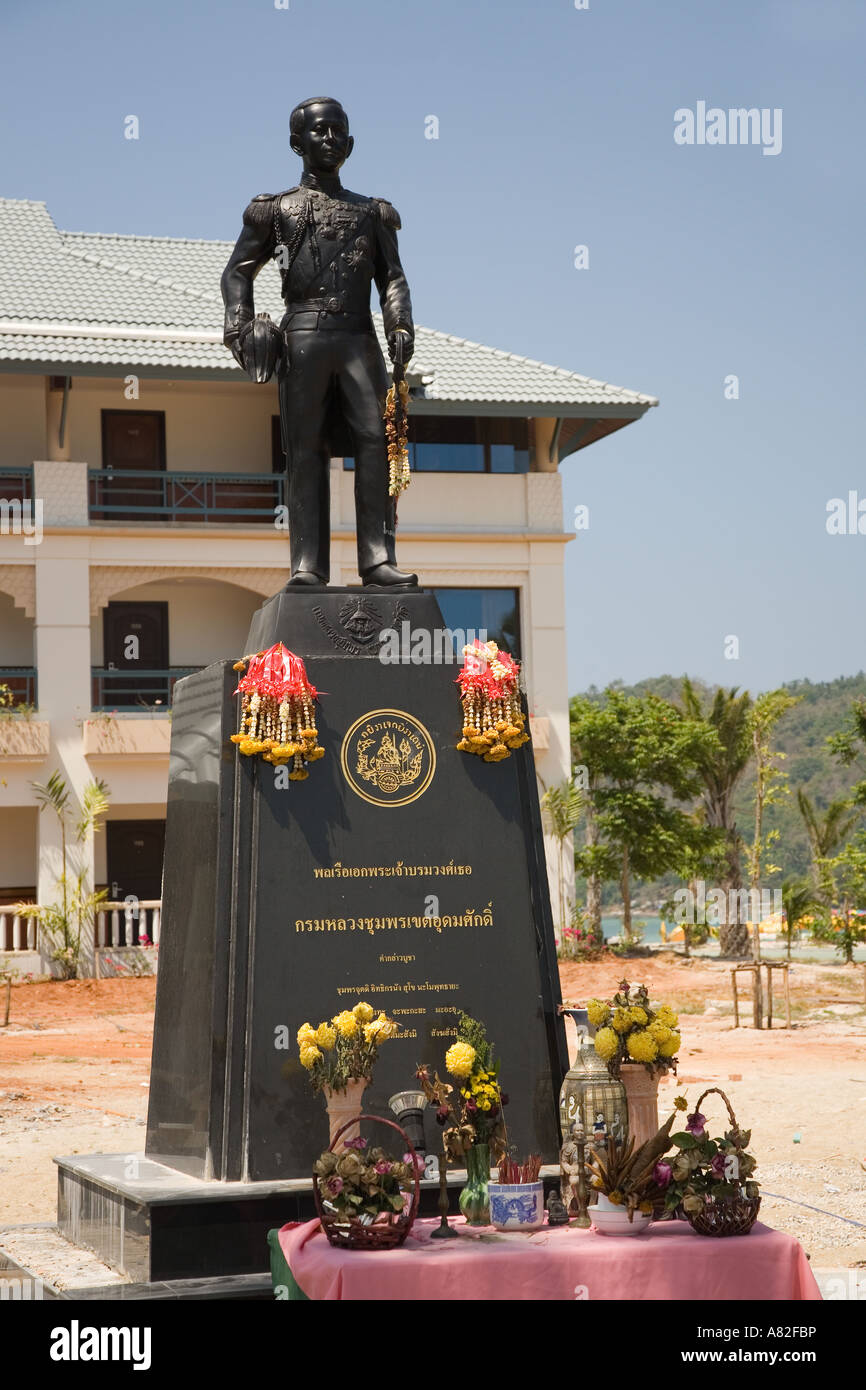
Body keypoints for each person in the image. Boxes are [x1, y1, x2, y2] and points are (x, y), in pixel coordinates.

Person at [221, 96, 418, 590]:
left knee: (375, 442)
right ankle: (308, 564)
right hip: (303, 338)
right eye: (318, 131)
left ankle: (377, 558)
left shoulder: (373, 214)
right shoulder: (274, 211)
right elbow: (237, 273)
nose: (329, 138)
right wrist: (242, 327)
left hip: (359, 339)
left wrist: (400, 323)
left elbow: (392, 279)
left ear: (350, 144)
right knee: (304, 448)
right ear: (296, 143)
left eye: (337, 131)